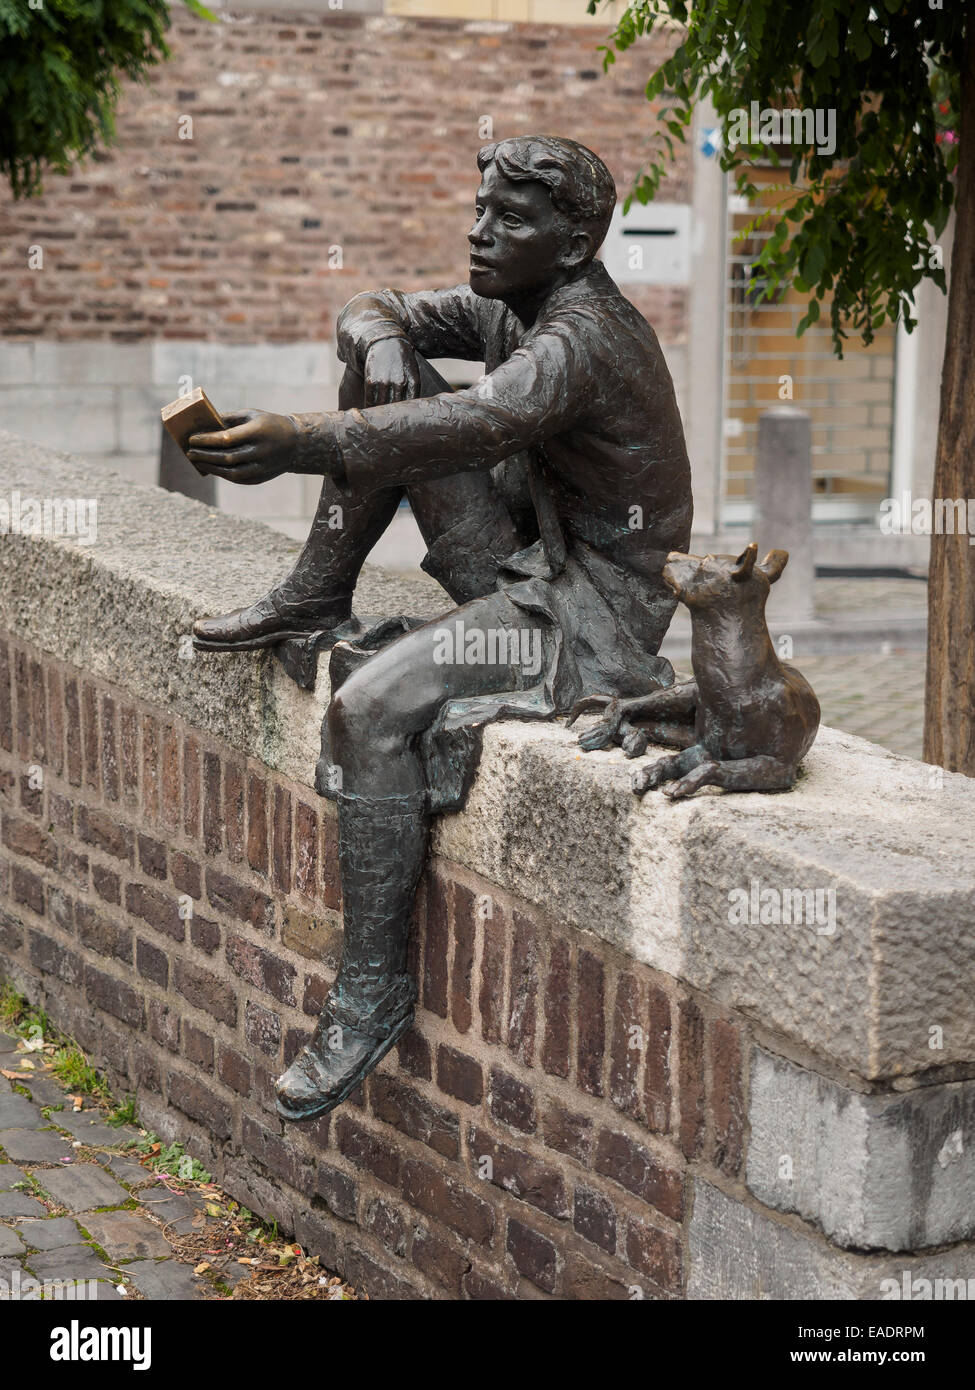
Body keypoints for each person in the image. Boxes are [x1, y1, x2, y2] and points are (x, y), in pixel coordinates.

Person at [187, 135, 693, 1120]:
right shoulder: (510, 303)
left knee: (372, 706)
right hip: (517, 560)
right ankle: (315, 592)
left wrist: (300, 441)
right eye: (478, 207)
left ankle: (371, 985)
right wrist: (375, 340)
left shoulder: (583, 339)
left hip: (586, 623)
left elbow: (469, 425)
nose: (478, 230)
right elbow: (374, 306)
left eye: (508, 217)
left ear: (578, 238)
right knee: (387, 377)